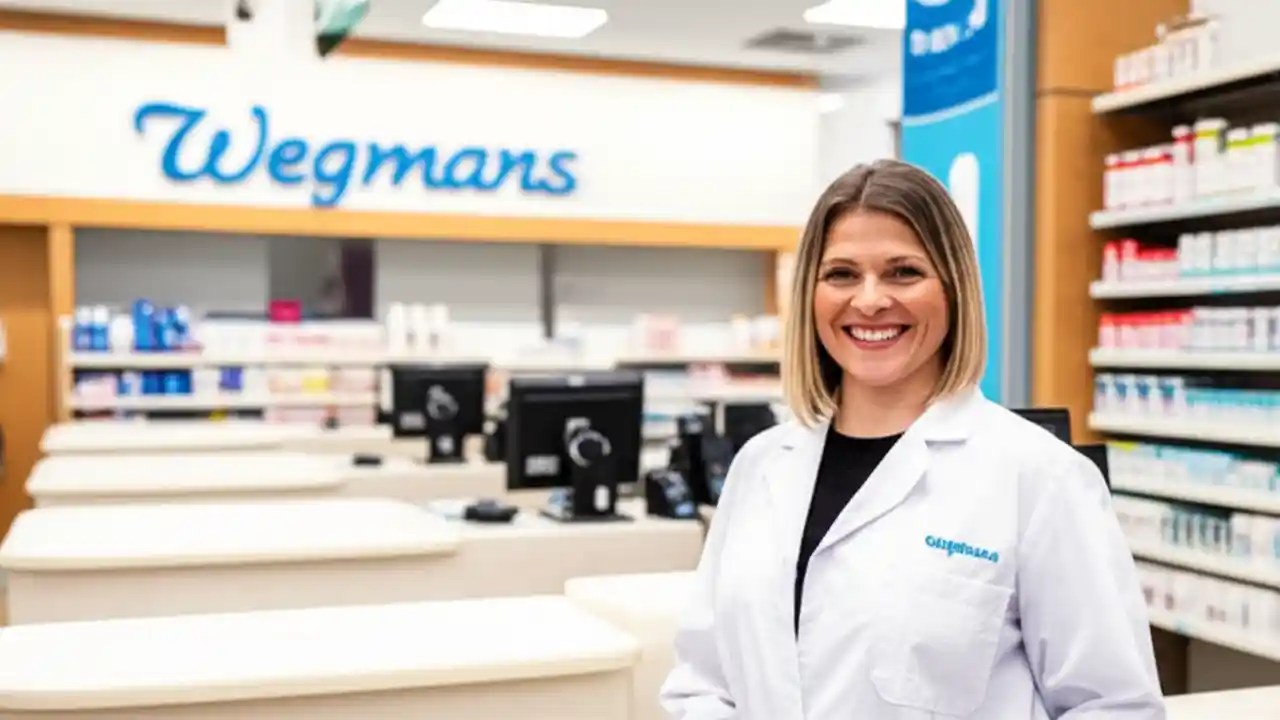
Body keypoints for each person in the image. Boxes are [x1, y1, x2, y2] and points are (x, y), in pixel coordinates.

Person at [659, 160, 1165, 719]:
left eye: (903, 272)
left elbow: (1113, 707)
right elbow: (701, 681)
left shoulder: (1039, 475)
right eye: (842, 274)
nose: (870, 300)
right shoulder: (759, 466)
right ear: (811, 293)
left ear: (953, 288)